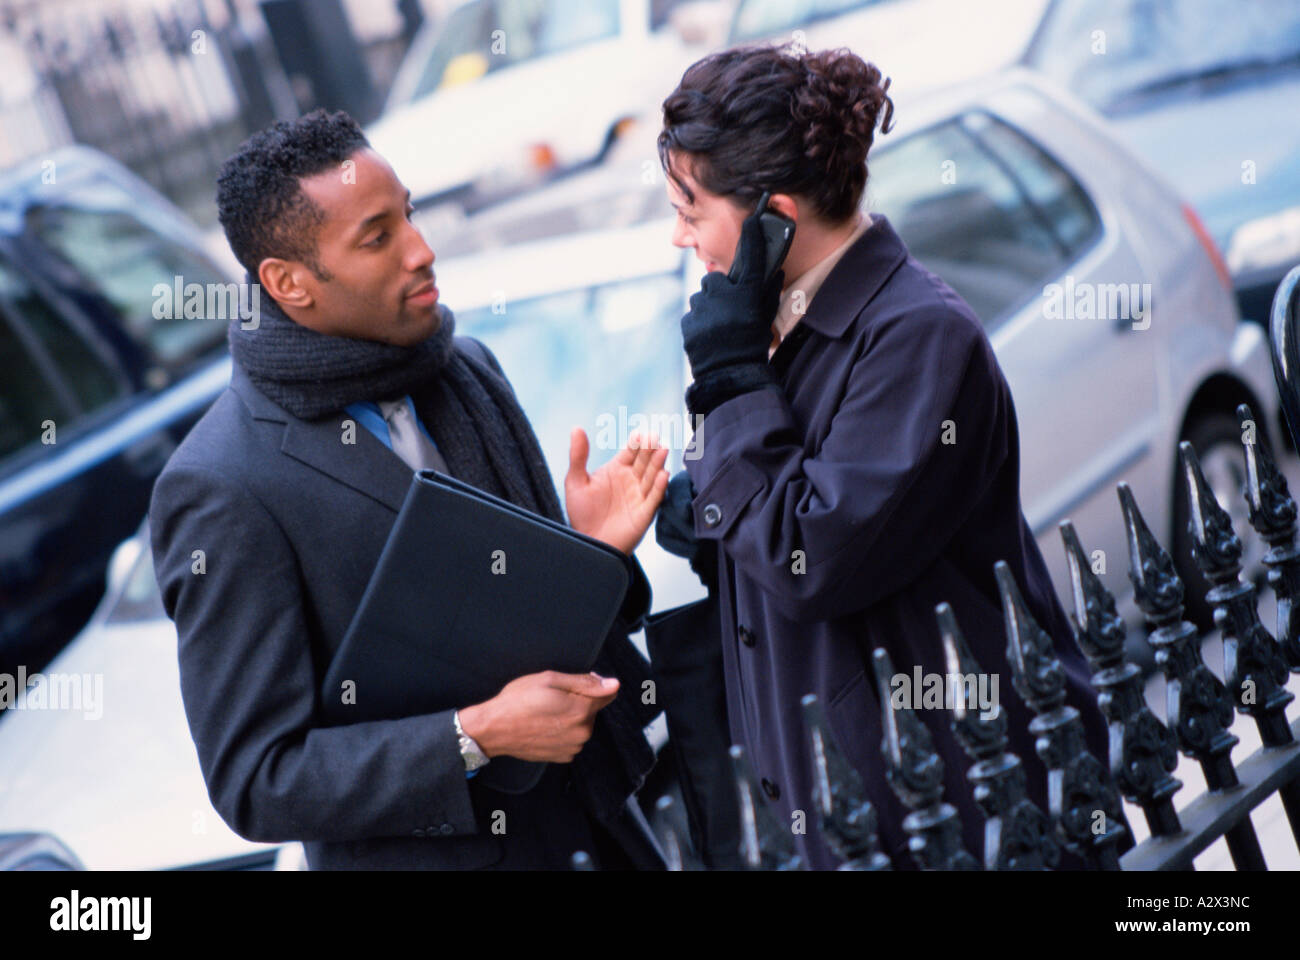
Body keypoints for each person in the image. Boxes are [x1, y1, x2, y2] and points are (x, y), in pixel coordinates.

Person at [149, 109, 671, 870]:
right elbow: (256, 778)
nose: (422, 252)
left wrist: (588, 557)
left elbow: (515, 626)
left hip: (600, 837)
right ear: (289, 283)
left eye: (410, 217)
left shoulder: (468, 370)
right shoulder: (222, 484)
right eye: (376, 237)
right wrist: (475, 735)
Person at [653, 44, 1114, 869]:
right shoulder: (772, 327)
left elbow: (813, 556)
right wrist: (705, 521)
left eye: (691, 208)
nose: (680, 235)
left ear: (774, 218)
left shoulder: (916, 335)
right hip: (850, 814)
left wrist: (728, 388)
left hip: (956, 812)